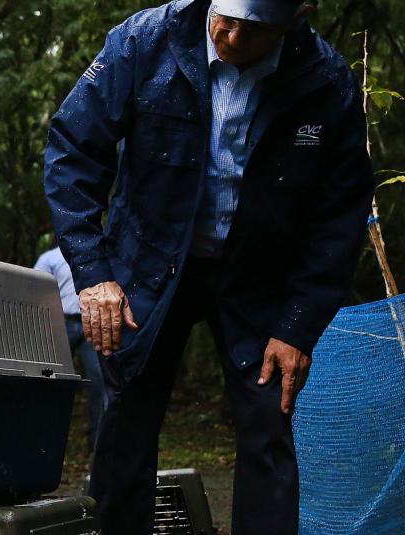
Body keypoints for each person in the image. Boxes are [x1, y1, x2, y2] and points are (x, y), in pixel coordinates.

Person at [43, 0, 373, 532]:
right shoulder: (144, 41)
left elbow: (339, 217)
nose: (234, 37)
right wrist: (94, 274)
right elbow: (73, 152)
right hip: (146, 265)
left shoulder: (325, 81)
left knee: (270, 421)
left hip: (257, 278)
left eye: (257, 28)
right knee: (125, 419)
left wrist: (298, 326)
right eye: (228, 18)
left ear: (295, 20)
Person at [34, 246, 104, 451]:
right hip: (60, 323)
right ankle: (45, 439)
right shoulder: (49, 258)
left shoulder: (93, 253)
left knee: (99, 379)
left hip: (89, 324)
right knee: (51, 379)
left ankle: (97, 441)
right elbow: (36, 288)